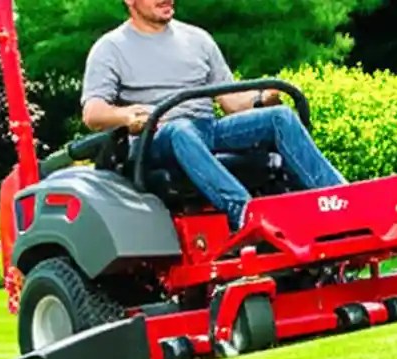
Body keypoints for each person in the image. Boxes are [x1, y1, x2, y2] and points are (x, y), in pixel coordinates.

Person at [79, 0, 347, 232]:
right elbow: (93, 113)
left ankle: (343, 200)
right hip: (156, 138)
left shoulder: (198, 39)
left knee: (279, 116)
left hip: (207, 129)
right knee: (180, 130)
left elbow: (230, 102)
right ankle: (244, 212)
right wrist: (126, 116)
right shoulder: (111, 48)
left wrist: (259, 98)